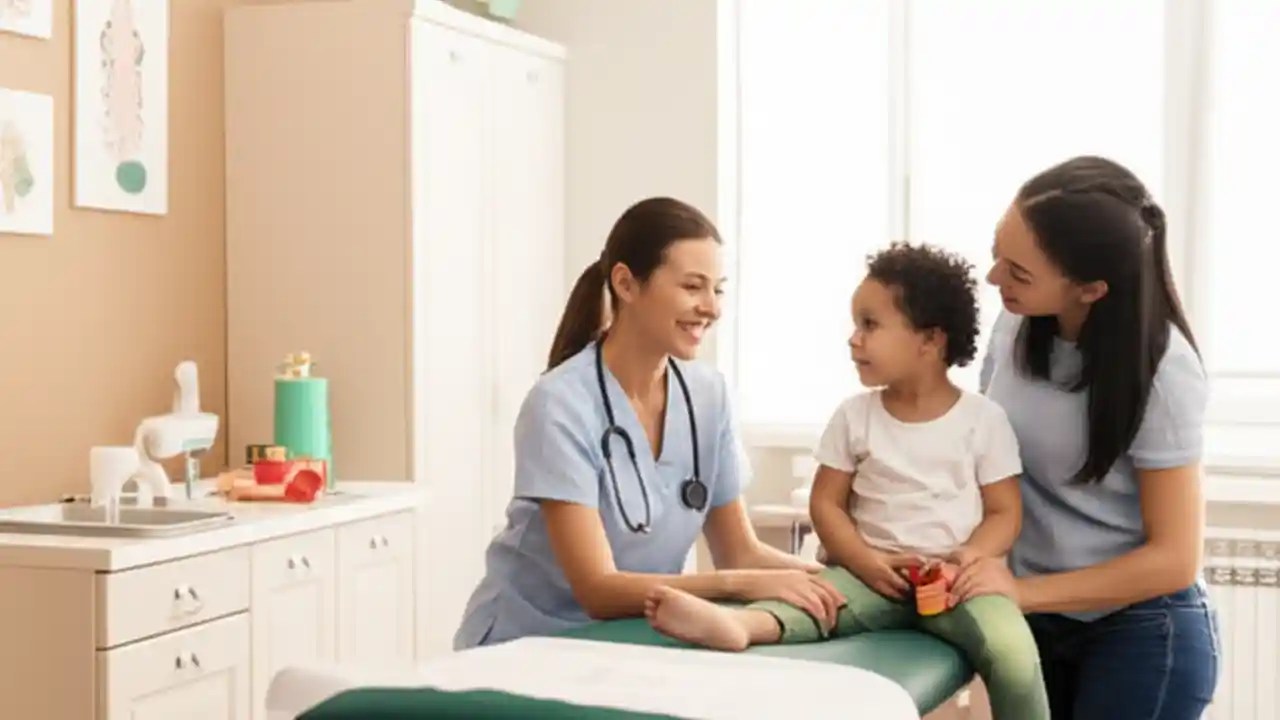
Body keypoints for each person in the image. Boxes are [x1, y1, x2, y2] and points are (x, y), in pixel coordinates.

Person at [646, 242, 1050, 720]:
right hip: (871, 577)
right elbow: (827, 506)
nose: (853, 339)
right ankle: (742, 626)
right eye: (856, 325)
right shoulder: (855, 417)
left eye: (870, 325)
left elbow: (1005, 512)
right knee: (814, 604)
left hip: (955, 583)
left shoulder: (983, 420)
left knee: (1013, 656)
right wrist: (868, 562)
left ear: (930, 340)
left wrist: (970, 558)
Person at [452, 196, 845, 650]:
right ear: (626, 283)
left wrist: (851, 581)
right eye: (692, 286)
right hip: (526, 644)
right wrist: (739, 585)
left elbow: (739, 551)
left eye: (718, 289)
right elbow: (598, 589)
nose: (711, 308)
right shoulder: (559, 404)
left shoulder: (708, 395)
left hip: (628, 643)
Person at [953, 155, 1220, 718]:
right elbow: (987, 459)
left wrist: (1021, 593)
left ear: (1091, 289)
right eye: (998, 252)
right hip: (1041, 621)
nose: (994, 277)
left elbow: (1174, 558)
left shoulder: (1162, 371)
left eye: (1019, 271)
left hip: (1141, 629)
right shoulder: (1016, 324)